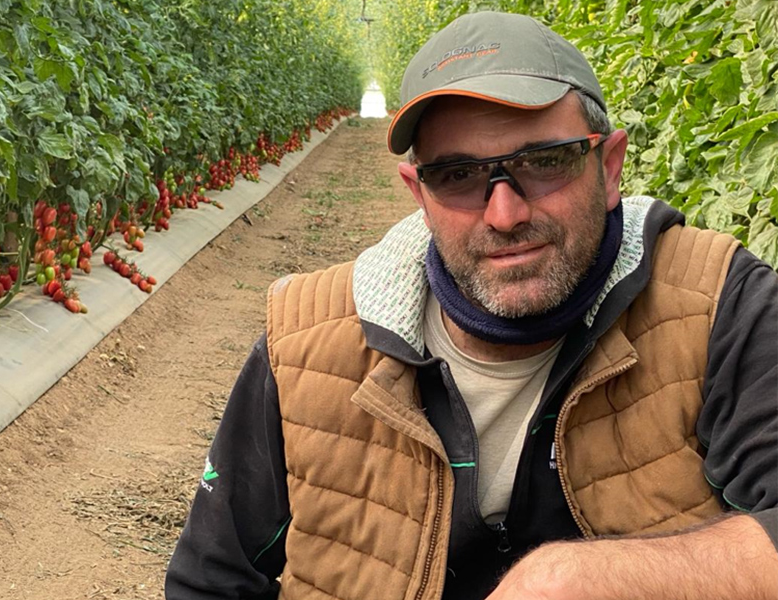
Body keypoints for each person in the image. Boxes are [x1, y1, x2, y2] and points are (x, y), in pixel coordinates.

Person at [165, 11, 778, 600]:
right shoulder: (303, 344)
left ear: (610, 166)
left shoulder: (716, 303)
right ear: (418, 194)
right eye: (458, 175)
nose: (504, 214)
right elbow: (212, 580)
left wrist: (581, 581)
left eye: (544, 163)